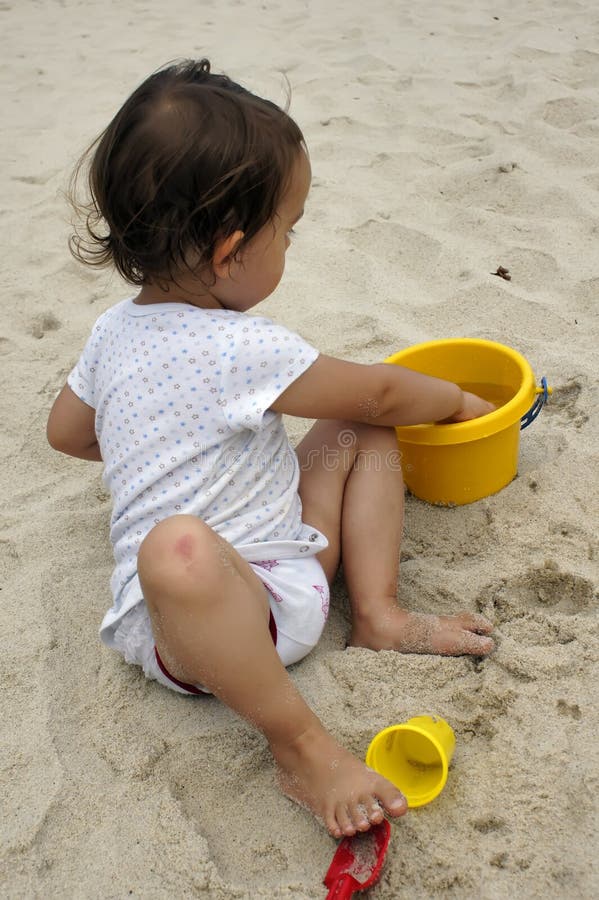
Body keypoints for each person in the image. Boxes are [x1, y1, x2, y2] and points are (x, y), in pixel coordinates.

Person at [47, 59, 495, 840]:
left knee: (350, 433)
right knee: (180, 547)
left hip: (283, 572)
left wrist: (148, 445)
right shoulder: (239, 344)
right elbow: (381, 391)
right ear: (229, 251)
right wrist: (455, 399)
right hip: (202, 639)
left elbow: (68, 433)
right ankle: (303, 748)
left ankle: (378, 615)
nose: (288, 244)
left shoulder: (110, 333)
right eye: (287, 231)